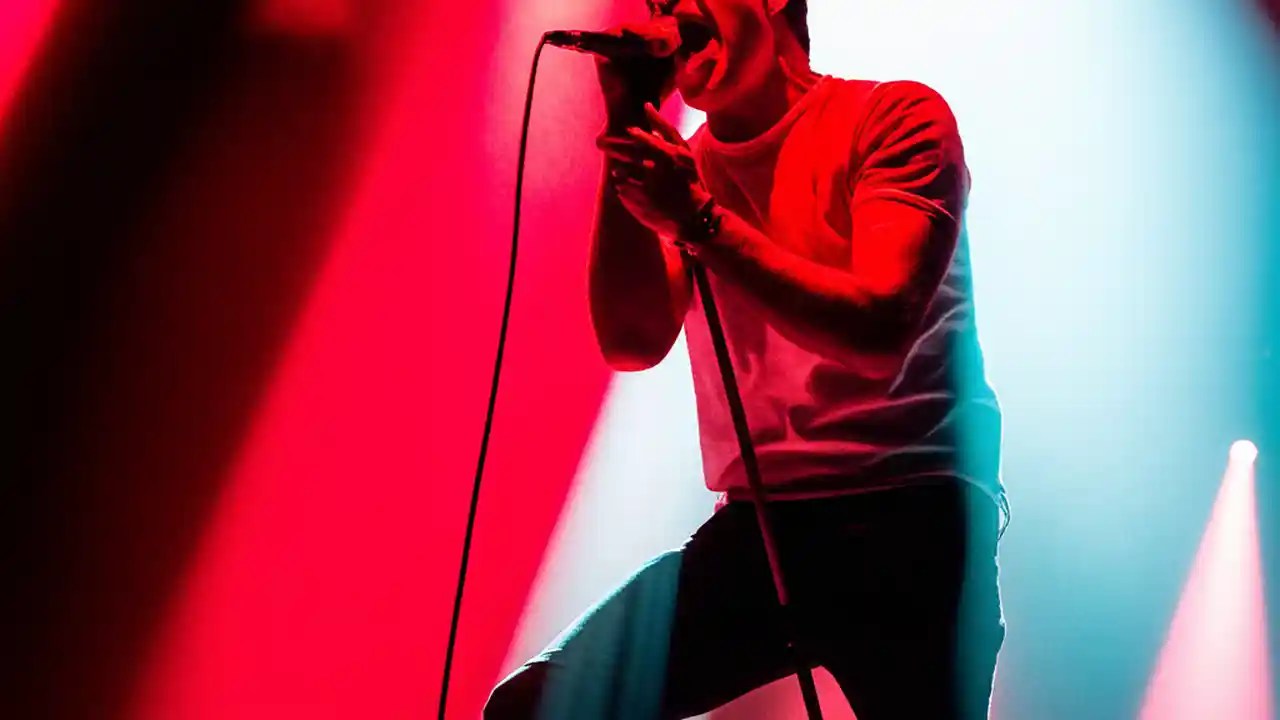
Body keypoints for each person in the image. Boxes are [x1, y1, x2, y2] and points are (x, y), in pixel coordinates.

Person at [485, 0, 1007, 717]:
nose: (669, 12)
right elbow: (633, 339)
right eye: (659, 2)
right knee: (540, 709)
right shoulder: (687, 170)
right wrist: (629, 125)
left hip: (907, 519)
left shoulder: (893, 118)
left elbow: (879, 329)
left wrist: (701, 222)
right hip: (764, 529)